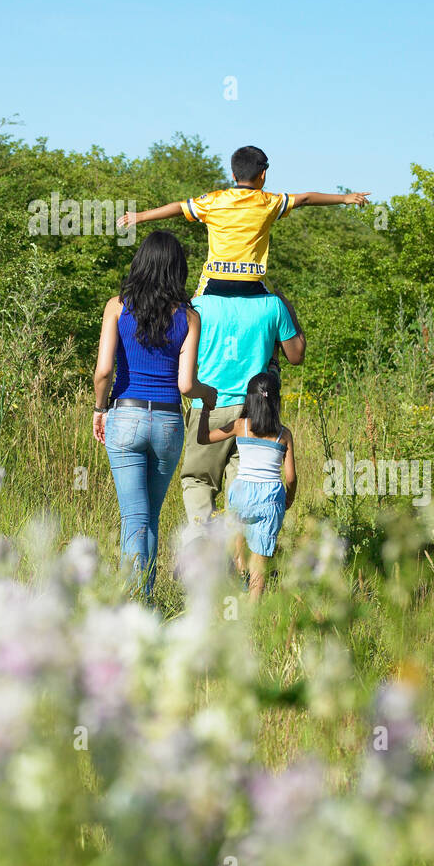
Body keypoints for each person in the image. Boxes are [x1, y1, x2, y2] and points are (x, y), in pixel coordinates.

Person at [93, 231, 217, 596]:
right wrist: (208, 395)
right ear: (176, 269)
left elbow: (103, 372)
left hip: (125, 416)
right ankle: (143, 601)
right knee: (150, 518)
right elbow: (186, 385)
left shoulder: (117, 307)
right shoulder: (190, 317)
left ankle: (131, 606)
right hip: (167, 423)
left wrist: (99, 410)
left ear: (141, 263)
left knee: (135, 518)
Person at [117, 145, 369, 296]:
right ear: (263, 174)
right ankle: (273, 366)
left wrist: (140, 216)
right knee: (281, 309)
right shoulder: (268, 201)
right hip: (253, 282)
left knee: (189, 318)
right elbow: (304, 199)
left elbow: (178, 207)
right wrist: (345, 198)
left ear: (233, 174)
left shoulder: (214, 200)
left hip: (215, 282)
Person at [181, 282, 304, 528]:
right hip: (256, 409)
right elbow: (296, 354)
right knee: (242, 484)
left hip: (209, 404)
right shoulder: (272, 305)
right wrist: (282, 298)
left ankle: (200, 550)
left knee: (199, 481)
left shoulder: (199, 306)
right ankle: (240, 555)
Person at [195, 371, 297, 601]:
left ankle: (240, 574)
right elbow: (290, 477)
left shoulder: (241, 426)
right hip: (270, 497)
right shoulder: (283, 434)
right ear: (276, 401)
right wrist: (289, 498)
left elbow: (203, 438)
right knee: (260, 561)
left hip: (242, 493)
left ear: (250, 399)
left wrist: (205, 409)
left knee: (237, 538)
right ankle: (252, 610)